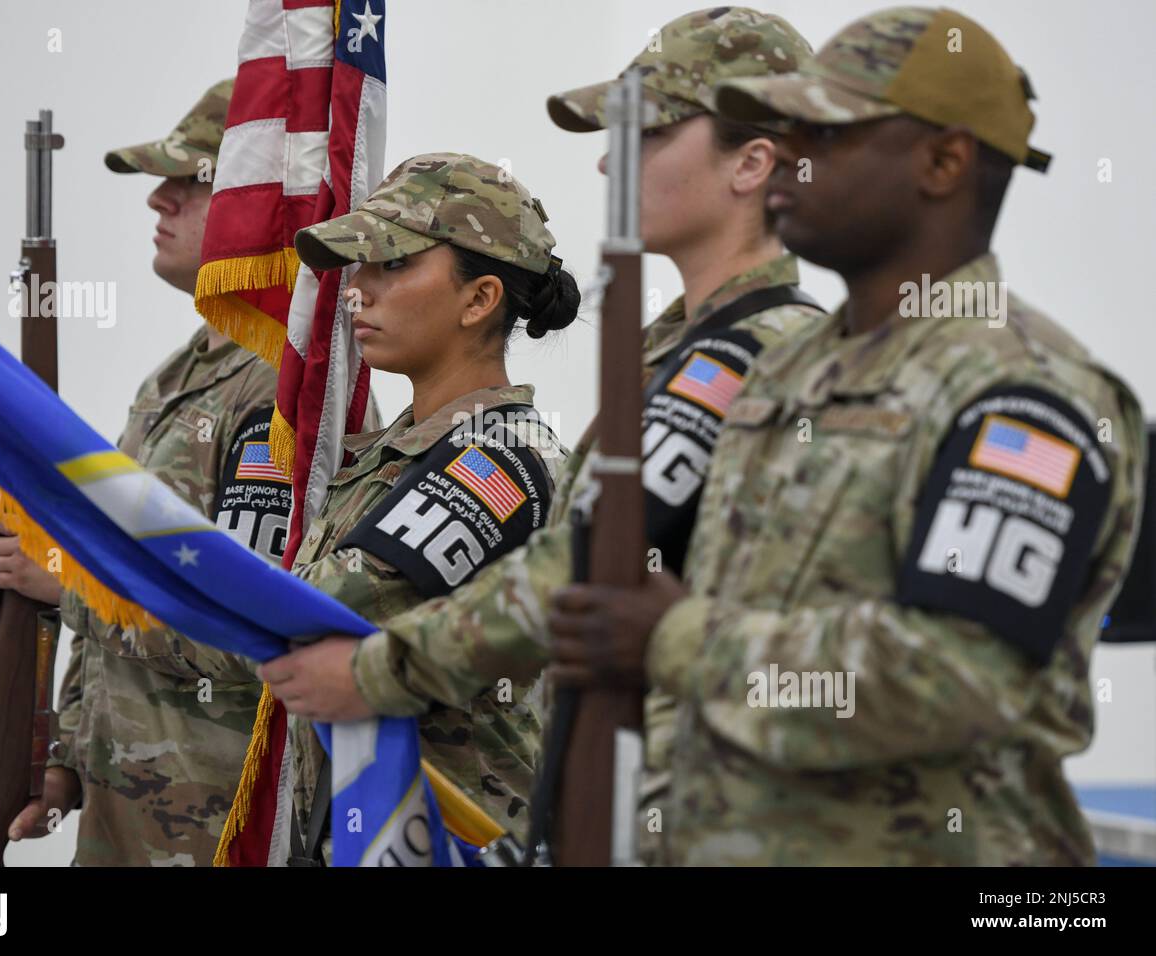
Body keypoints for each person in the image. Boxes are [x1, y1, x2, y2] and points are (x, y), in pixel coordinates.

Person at [550, 6, 1146, 865]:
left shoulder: (1025, 390)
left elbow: (950, 673)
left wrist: (677, 640)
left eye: (826, 136)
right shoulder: (795, 375)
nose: (792, 158)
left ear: (943, 161)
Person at [254, 7, 826, 859]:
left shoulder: (769, 360)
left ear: (752, 163)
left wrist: (375, 672)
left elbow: (575, 575)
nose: (608, 158)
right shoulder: (672, 355)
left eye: (650, 131)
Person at [0, 79, 366, 865]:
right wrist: (61, 762)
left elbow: (252, 634)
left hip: (218, 831)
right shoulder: (171, 379)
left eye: (191, 181)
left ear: (258, 206)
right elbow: (110, 628)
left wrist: (71, 582)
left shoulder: (282, 397)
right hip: (120, 826)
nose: (159, 202)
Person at [249, 152, 576, 863]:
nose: (357, 291)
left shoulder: (499, 460)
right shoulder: (393, 453)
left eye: (392, 265)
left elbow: (312, 611)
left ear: (479, 299)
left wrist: (95, 571)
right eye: (358, 267)